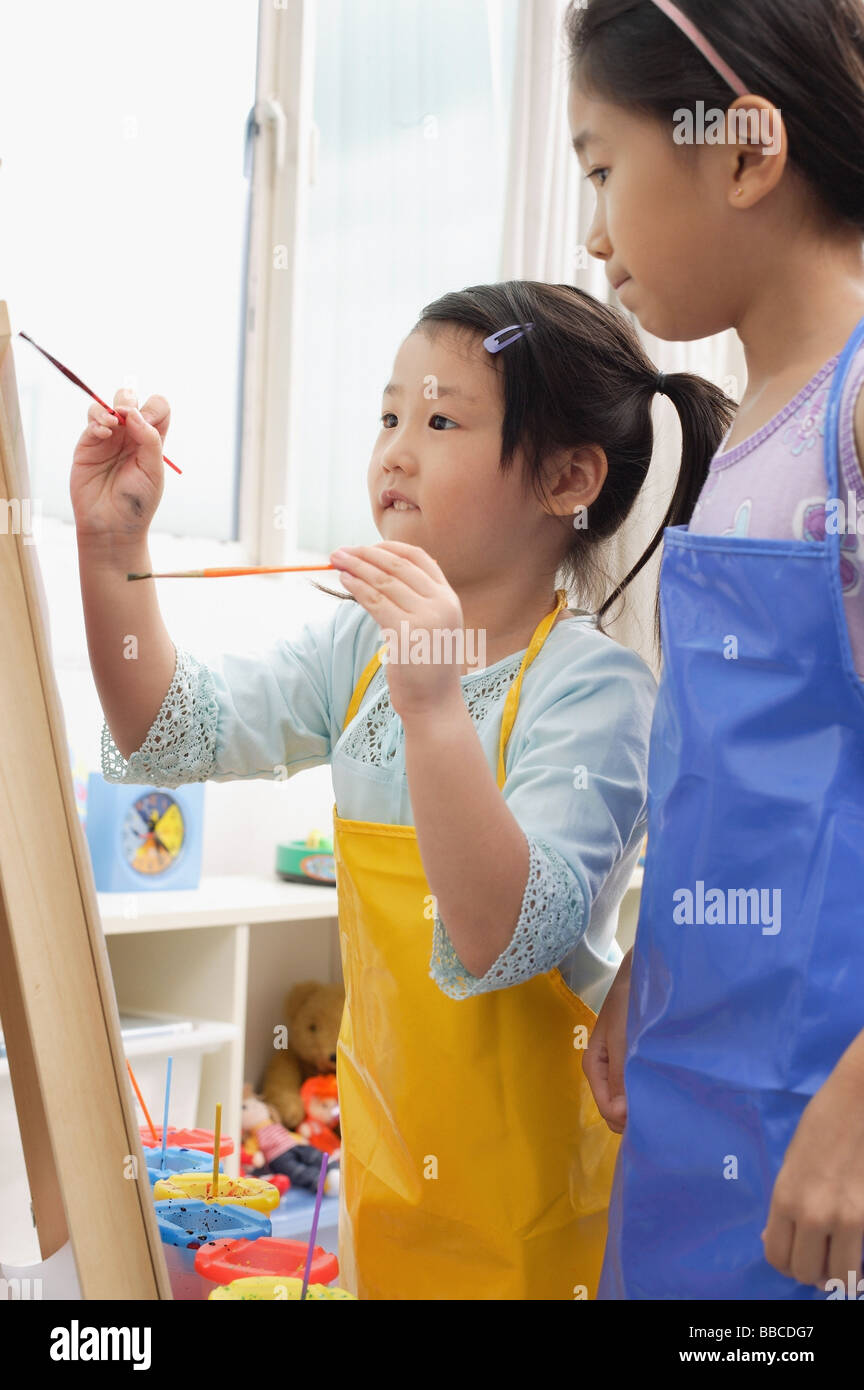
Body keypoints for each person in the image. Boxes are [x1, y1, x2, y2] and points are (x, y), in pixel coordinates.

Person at [73, 278, 731, 1298]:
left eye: (439, 418)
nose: (395, 448)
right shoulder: (361, 647)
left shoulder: (595, 686)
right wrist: (114, 549)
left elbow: (501, 935)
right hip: (389, 1190)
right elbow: (162, 732)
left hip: (541, 1221)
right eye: (388, 414)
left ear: (567, 477)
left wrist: (432, 703)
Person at [566, 0, 864, 1299]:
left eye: (601, 168)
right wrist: (659, 956)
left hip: (826, 1113)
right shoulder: (754, 427)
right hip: (704, 1082)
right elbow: (751, 784)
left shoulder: (855, 412)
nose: (592, 232)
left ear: (744, 151)